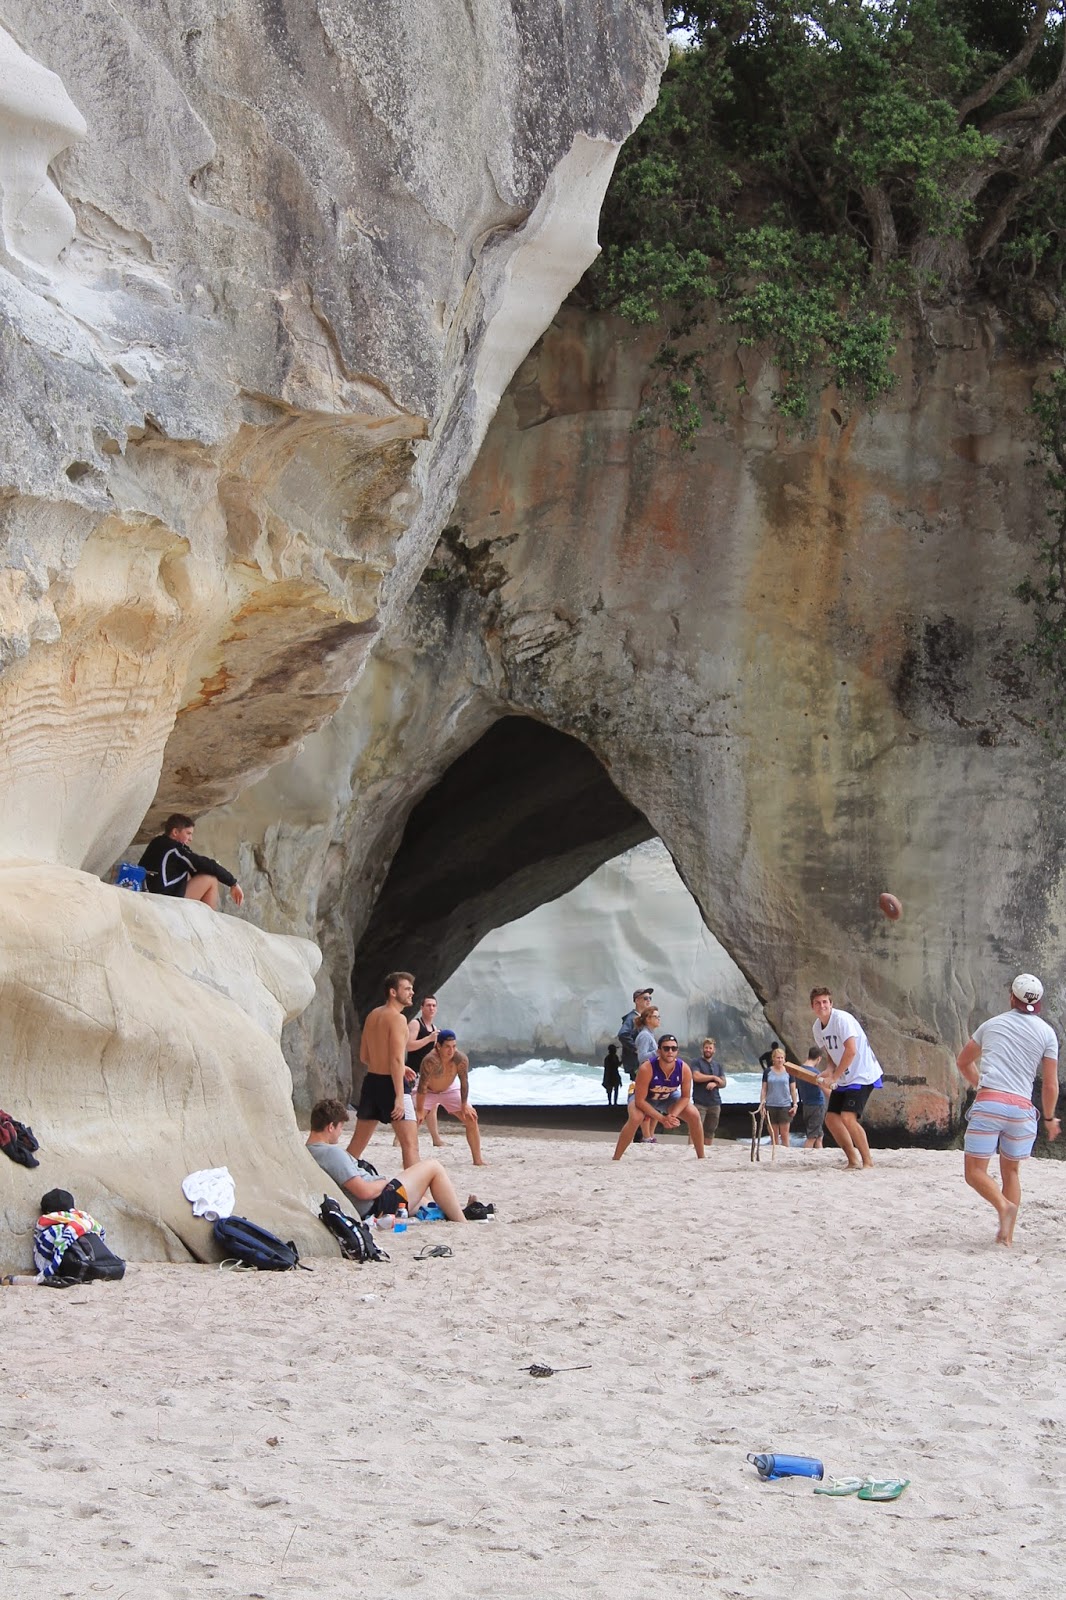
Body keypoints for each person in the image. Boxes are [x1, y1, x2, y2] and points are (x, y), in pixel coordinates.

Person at [955, 973, 1061, 1245]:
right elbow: (1050, 1085)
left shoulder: (992, 1025)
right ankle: (1006, 1237)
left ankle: (1003, 1206)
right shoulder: (1047, 1033)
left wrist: (982, 1085)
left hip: (990, 1103)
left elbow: (963, 1061)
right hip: (1023, 1110)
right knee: (1011, 1172)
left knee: (974, 1172)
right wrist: (1048, 1117)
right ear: (1038, 1003)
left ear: (1011, 997)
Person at [306, 1100, 468, 1222]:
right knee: (433, 1167)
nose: (340, 1133)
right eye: (340, 1127)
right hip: (378, 1204)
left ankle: (464, 1211)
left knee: (424, 1200)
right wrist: (384, 1182)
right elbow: (364, 1192)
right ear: (330, 1127)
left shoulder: (308, 1151)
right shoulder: (332, 1153)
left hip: (375, 1202)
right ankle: (462, 1221)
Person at [348, 972, 419, 1168]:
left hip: (372, 1083)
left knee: (355, 1147)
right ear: (393, 992)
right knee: (410, 1145)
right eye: (407, 989)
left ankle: (338, 1184)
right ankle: (417, 1194)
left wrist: (400, 1066)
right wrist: (398, 1096)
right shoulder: (398, 1019)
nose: (412, 992)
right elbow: (396, 1058)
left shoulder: (373, 1015)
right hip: (392, 1085)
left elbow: (364, 1057)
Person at [810, 987, 883, 1170]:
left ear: (831, 1003)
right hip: (844, 1077)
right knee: (831, 1119)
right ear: (813, 1007)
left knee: (848, 1117)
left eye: (825, 1002)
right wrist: (829, 1070)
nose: (822, 1006)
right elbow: (831, 1053)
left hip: (862, 1074)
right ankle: (852, 1159)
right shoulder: (817, 1027)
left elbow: (851, 1051)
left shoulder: (842, 1019)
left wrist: (834, 1077)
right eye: (818, 1003)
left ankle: (868, 1161)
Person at [612, 1034, 706, 1160]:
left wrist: (672, 1116)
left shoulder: (684, 1068)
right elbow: (640, 1101)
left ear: (677, 1051)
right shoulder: (647, 1068)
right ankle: (616, 1158)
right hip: (644, 1096)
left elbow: (685, 1097)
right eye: (666, 1048)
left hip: (668, 1095)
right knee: (636, 1117)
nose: (670, 1052)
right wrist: (662, 1119)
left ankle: (701, 1157)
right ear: (658, 1051)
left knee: (694, 1114)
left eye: (674, 1048)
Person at [139, 814, 244, 910]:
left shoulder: (157, 842)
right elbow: (205, 864)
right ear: (175, 832)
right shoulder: (174, 850)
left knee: (190, 872)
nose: (190, 839)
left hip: (148, 892)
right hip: (165, 898)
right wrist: (233, 883)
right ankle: (208, 921)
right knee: (210, 879)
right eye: (188, 833)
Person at [415, 1031, 485, 1166]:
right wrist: (419, 1110)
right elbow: (422, 1086)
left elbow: (464, 1082)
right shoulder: (430, 1060)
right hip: (428, 1091)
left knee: (471, 1117)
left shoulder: (460, 1058)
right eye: (447, 1046)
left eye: (454, 1046)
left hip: (449, 1089)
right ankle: (410, 1158)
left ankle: (478, 1160)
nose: (451, 1050)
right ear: (438, 1046)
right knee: (414, 1121)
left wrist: (464, 1104)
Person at [407, 995, 443, 1147]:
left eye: (434, 1005)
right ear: (421, 1008)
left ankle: (436, 1139)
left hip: (428, 1074)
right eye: (428, 1005)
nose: (431, 1008)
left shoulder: (434, 1029)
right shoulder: (416, 1024)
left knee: (433, 1105)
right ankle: (400, 1138)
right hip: (413, 1072)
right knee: (413, 1106)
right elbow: (408, 1045)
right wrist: (428, 1039)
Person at [759, 1045, 797, 1150]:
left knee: (785, 1136)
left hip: (785, 1106)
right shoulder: (767, 1072)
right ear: (773, 1059)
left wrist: (795, 1104)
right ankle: (775, 1156)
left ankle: (786, 1156)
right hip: (770, 1106)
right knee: (773, 1136)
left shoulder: (789, 1072)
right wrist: (762, 1104)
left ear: (784, 1059)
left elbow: (793, 1090)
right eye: (778, 1058)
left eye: (782, 1058)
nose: (780, 1060)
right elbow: (764, 1089)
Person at [690, 1037, 726, 1143]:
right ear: (702, 1049)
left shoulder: (718, 1065)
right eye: (706, 1048)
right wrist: (713, 1077)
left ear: (714, 1050)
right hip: (700, 1102)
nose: (708, 1050)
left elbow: (723, 1083)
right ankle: (691, 1150)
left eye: (710, 1048)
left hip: (715, 1103)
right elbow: (696, 1076)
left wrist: (715, 1083)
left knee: (710, 1131)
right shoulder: (696, 1062)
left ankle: (707, 1151)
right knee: (695, 1128)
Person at [618, 987, 654, 1079]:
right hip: (636, 1063)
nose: (648, 1000)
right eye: (645, 998)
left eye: (650, 998)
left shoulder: (641, 1019)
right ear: (637, 1000)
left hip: (642, 1062)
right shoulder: (632, 1018)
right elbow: (623, 1034)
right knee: (641, 1089)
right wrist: (635, 1048)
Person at [798, 1047, 826, 1148]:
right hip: (817, 1105)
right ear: (819, 1059)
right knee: (812, 1137)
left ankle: (820, 1153)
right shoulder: (816, 1073)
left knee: (819, 1135)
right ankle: (805, 1155)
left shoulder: (800, 1070)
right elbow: (825, 1088)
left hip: (806, 1105)